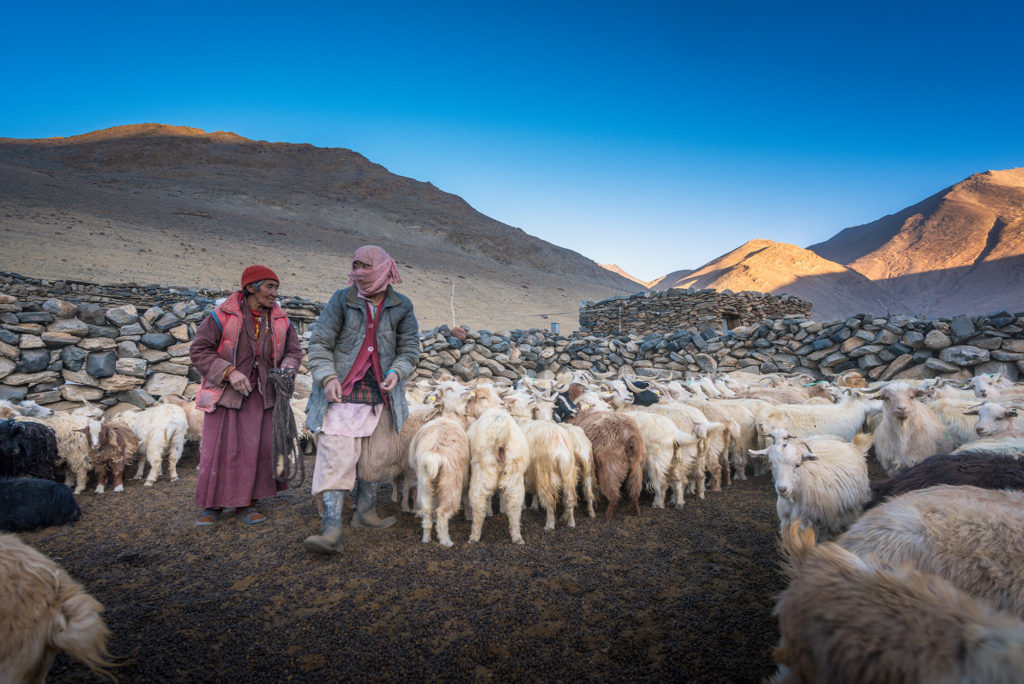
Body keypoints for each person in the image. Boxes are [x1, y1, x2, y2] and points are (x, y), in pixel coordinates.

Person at [302, 245, 419, 553]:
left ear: (383, 268)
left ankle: (365, 512)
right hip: (342, 395)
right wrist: (327, 377)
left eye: (366, 266)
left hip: (382, 396)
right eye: (355, 265)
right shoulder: (342, 300)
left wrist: (397, 370)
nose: (359, 272)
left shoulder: (401, 306)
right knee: (336, 457)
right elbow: (320, 343)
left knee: (373, 460)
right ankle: (330, 528)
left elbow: (410, 349)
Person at [190, 265, 303, 526]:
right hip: (226, 394)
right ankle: (212, 506)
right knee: (219, 449)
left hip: (264, 395)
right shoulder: (222, 316)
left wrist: (288, 367)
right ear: (251, 287)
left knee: (258, 450)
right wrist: (229, 371)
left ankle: (248, 503)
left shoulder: (280, 319)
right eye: (269, 287)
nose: (275, 294)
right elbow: (199, 350)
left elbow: (293, 352)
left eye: (276, 288)